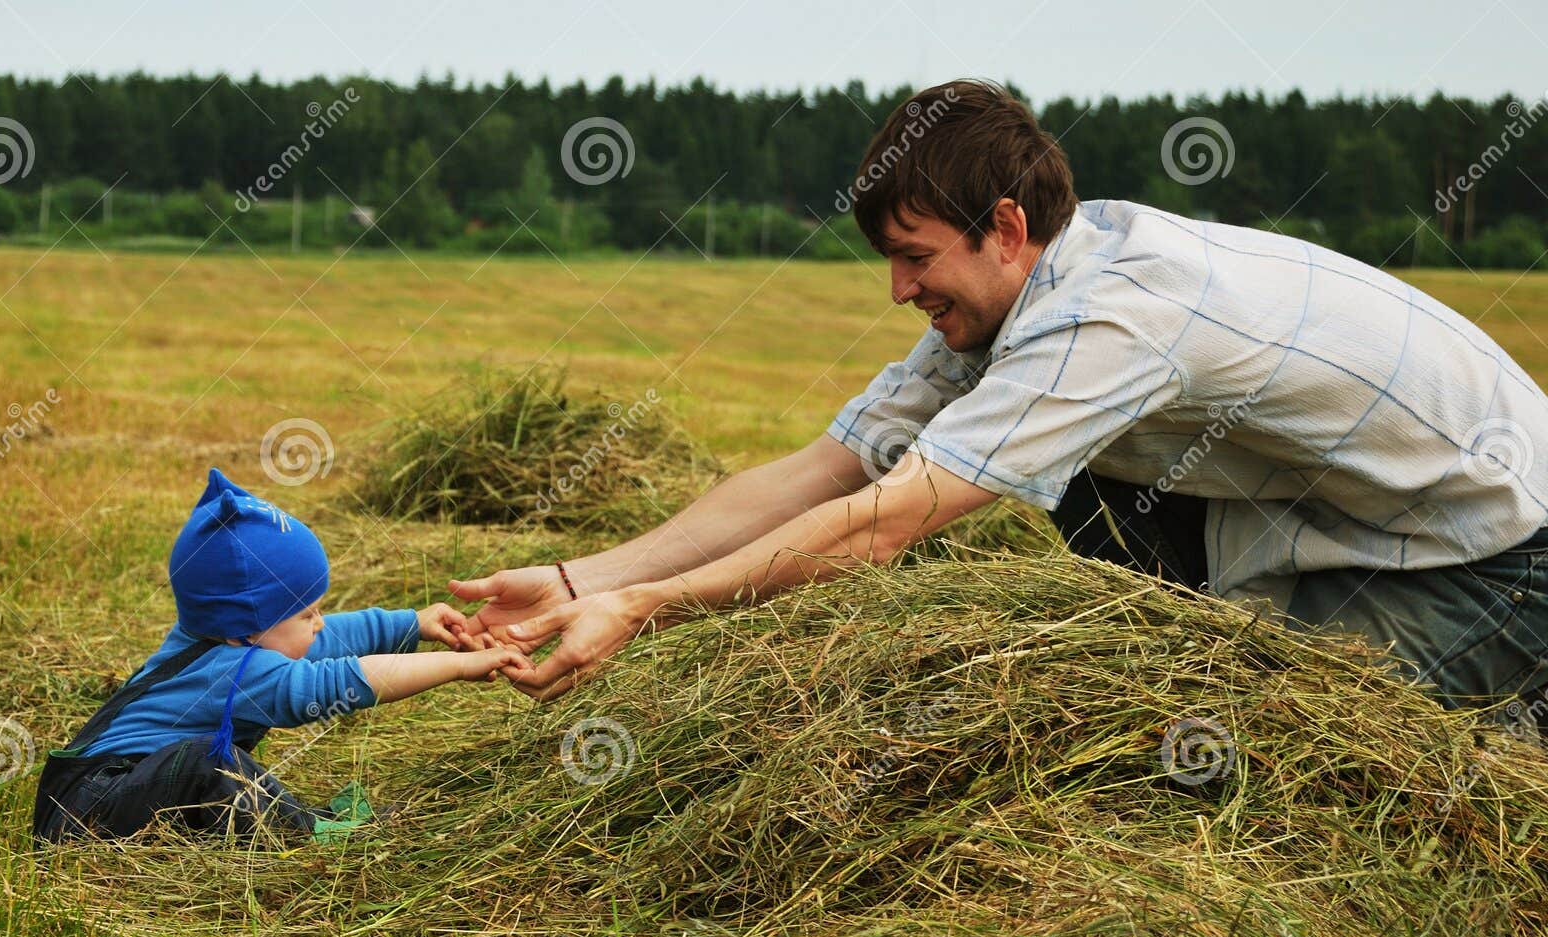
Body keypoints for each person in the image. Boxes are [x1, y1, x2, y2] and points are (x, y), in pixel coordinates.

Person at [452, 79, 1548, 727]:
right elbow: (827, 471)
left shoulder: (1113, 319)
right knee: (1092, 530)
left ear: (1007, 227)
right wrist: (580, 580)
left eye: (914, 256)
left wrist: (642, 612)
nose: (898, 289)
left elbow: (879, 527)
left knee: (1271, 745)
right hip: (1350, 524)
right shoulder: (1016, 300)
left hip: (1496, 556)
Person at [33, 468, 532, 841]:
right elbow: (339, 681)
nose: (319, 623)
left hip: (116, 790)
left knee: (210, 767)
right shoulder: (233, 670)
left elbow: (320, 642)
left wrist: (410, 624)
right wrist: (459, 665)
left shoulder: (221, 636)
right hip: (87, 811)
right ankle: (309, 836)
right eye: (306, 613)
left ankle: (258, 830)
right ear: (247, 626)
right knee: (208, 763)